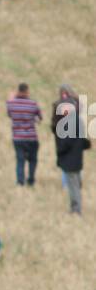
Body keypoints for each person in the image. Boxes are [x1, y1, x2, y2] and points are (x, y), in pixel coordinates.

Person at [53, 86, 90, 215]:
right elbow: (83, 140)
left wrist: (59, 151)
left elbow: (67, 142)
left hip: (69, 160)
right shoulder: (78, 121)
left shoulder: (68, 123)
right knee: (76, 184)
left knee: (73, 186)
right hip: (78, 158)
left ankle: (76, 209)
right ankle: (76, 207)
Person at [6, 82, 42, 186]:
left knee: (20, 160)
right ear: (27, 91)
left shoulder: (12, 104)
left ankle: (20, 181)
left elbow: (9, 114)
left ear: (18, 91)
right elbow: (39, 118)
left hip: (17, 137)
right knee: (32, 160)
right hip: (31, 137)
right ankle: (31, 179)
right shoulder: (33, 104)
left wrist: (10, 99)